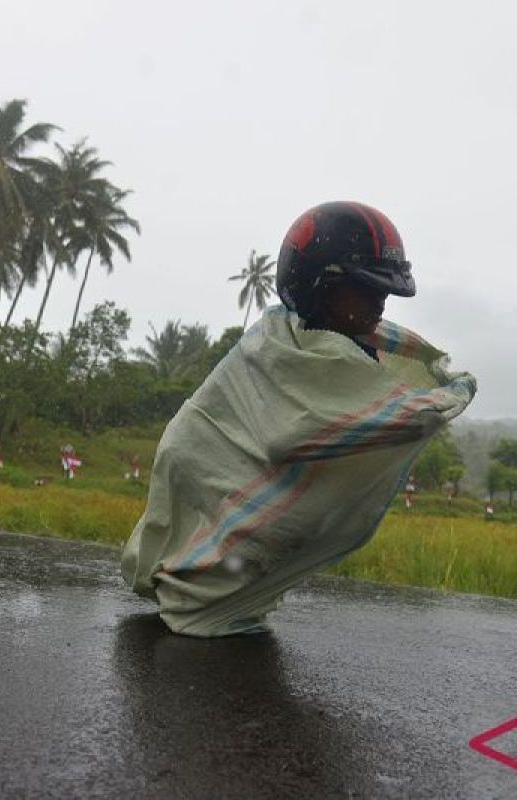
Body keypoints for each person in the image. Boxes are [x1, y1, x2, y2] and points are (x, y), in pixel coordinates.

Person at [122, 201, 477, 637]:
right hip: (196, 463)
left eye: (385, 291)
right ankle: (194, 590)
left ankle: (220, 594)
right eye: (366, 288)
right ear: (319, 285)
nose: (381, 301)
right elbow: (293, 431)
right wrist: (435, 406)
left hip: (227, 520)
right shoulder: (275, 349)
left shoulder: (359, 349)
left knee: (239, 562)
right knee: (203, 555)